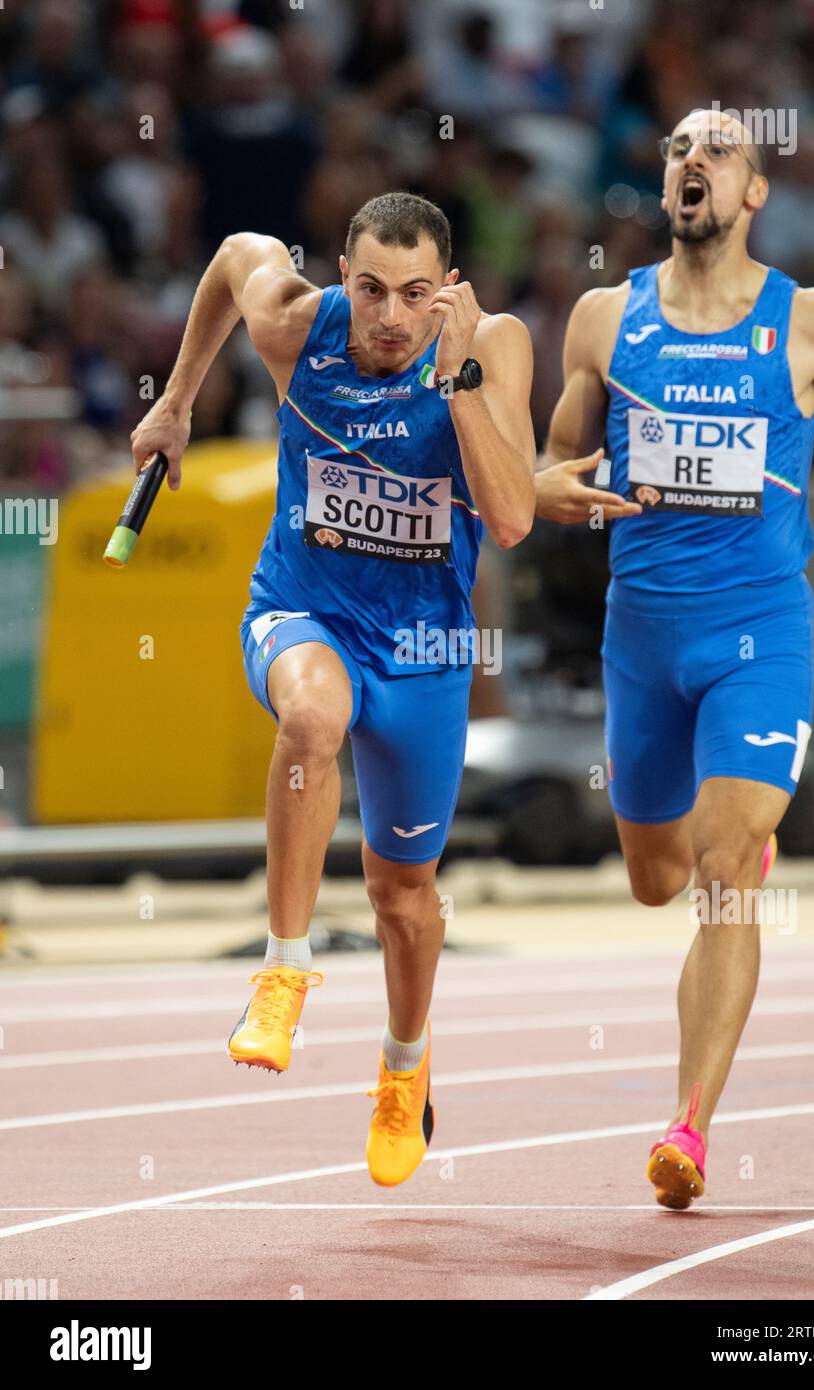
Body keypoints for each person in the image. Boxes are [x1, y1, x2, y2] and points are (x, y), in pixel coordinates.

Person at [130, 192, 535, 1187]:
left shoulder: (493, 344)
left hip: (424, 648)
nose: (386, 317)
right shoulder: (296, 326)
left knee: (403, 899)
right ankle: (282, 966)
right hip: (303, 610)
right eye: (366, 289)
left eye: (410, 294)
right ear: (340, 278)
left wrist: (460, 381)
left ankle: (404, 1065)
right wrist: (177, 400)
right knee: (311, 717)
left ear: (444, 290)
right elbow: (232, 253)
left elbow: (514, 516)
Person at [534, 110, 814, 1210]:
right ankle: (718, 847)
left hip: (759, 638)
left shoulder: (810, 321)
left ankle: (685, 1127)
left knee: (724, 869)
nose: (692, 160)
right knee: (653, 878)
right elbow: (554, 461)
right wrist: (556, 486)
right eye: (678, 148)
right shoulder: (604, 320)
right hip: (641, 640)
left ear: (751, 195)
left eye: (720, 151)